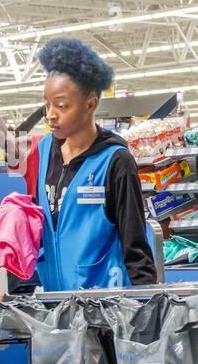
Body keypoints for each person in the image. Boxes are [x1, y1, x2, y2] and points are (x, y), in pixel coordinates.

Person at [23, 37, 156, 290]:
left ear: (90, 103)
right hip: (56, 304)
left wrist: (147, 306)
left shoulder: (115, 161)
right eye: (47, 104)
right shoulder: (43, 153)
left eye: (61, 106)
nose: (51, 114)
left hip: (106, 307)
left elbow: (135, 243)